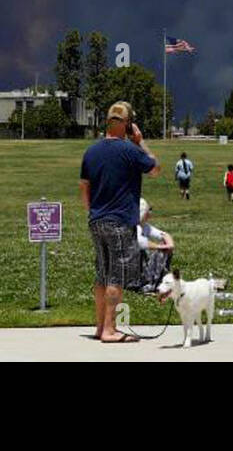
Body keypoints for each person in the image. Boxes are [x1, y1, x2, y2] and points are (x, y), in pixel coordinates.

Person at [79, 101, 160, 343]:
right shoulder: (130, 150)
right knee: (117, 275)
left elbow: (84, 186)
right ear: (127, 124)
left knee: (102, 275)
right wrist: (140, 142)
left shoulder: (91, 151)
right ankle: (110, 329)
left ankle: (98, 326)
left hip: (97, 219)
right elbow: (155, 168)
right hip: (120, 221)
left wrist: (91, 211)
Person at [135, 198, 175, 293]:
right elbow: (139, 242)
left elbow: (163, 234)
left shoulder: (144, 226)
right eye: (148, 211)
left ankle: (156, 281)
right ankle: (146, 284)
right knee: (143, 251)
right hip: (132, 265)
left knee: (164, 247)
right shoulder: (134, 227)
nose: (150, 214)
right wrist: (161, 247)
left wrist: (170, 245)